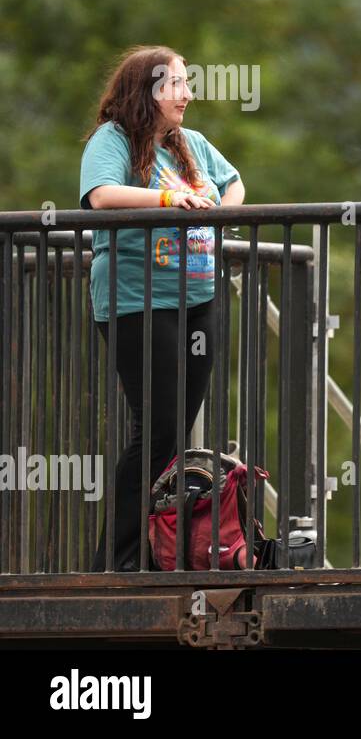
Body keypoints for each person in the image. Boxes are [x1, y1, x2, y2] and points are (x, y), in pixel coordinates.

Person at [79, 45, 246, 571]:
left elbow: (233, 181)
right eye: (177, 83)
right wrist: (172, 202)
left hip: (197, 298)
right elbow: (102, 196)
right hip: (138, 300)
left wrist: (219, 211)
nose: (188, 93)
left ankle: (149, 554)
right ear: (149, 90)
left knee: (174, 432)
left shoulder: (189, 143)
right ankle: (119, 561)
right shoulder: (114, 140)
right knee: (155, 429)